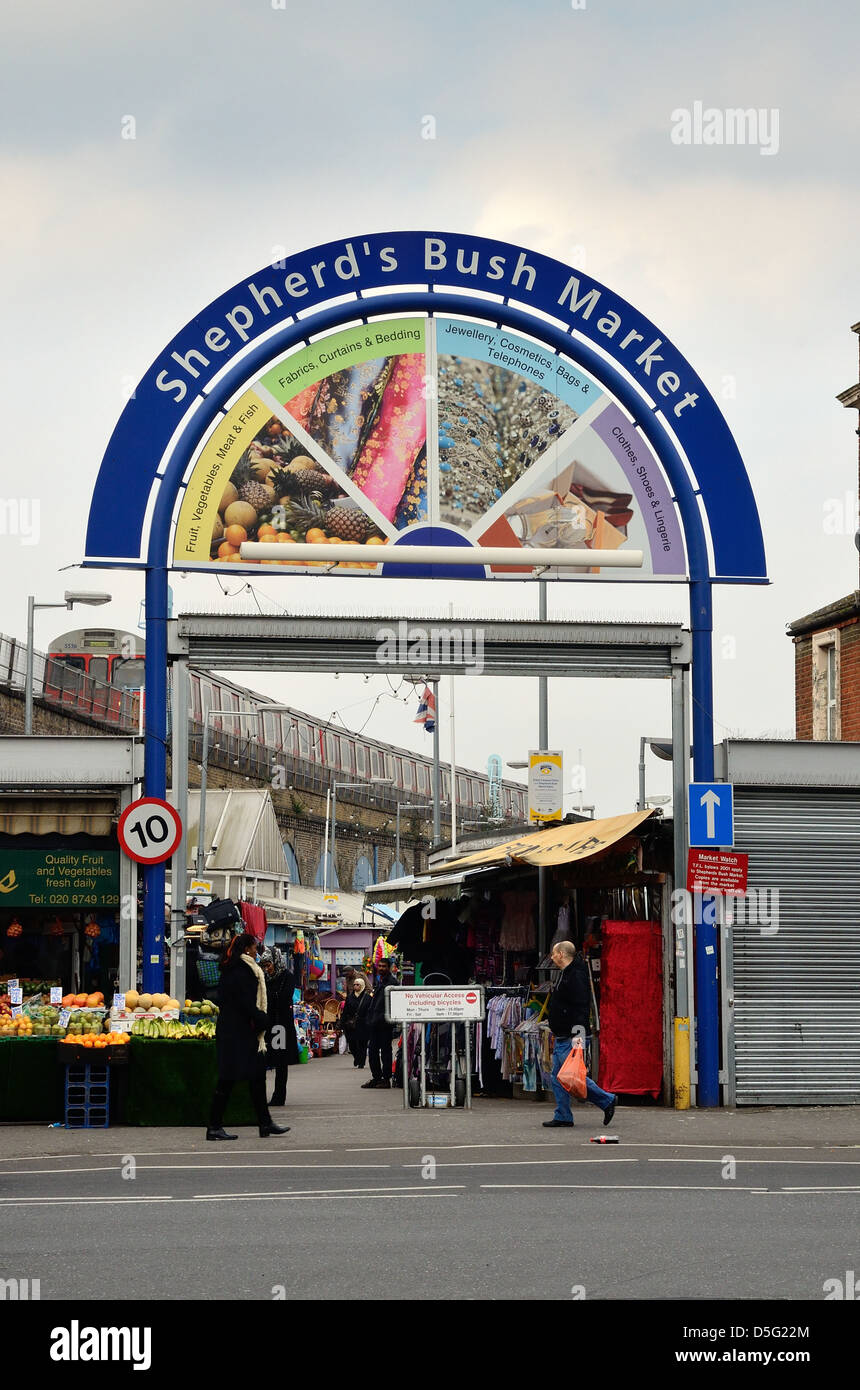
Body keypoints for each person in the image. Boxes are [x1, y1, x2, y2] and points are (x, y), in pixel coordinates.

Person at [206, 932, 290, 1141]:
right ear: (246, 949)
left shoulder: (238, 968)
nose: (256, 951)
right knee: (227, 1079)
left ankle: (265, 1123)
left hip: (241, 1031)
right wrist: (261, 1018)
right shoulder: (240, 971)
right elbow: (244, 1003)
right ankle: (214, 1127)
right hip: (235, 1033)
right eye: (254, 947)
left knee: (257, 1077)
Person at [543, 939, 617, 1129]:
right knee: (559, 1076)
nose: (551, 957)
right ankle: (563, 1115)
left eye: (553, 953)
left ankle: (607, 1100)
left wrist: (578, 1034)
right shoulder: (567, 973)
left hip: (571, 1034)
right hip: (564, 1033)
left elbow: (581, 1006)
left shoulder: (575, 975)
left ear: (561, 954)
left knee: (572, 1075)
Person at [260, 946, 300, 1107]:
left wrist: (269, 997)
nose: (266, 968)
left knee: (280, 1062)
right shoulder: (264, 978)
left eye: (268, 965)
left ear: (276, 962)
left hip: (280, 1027)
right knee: (264, 1059)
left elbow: (283, 999)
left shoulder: (287, 977)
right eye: (264, 965)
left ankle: (279, 1095)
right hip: (267, 1025)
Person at [362, 958, 396, 1089]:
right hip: (374, 1023)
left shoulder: (392, 983)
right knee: (372, 1052)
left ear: (389, 967)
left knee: (386, 1052)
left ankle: (386, 1079)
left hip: (385, 1023)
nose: (381, 968)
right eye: (380, 966)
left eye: (384, 966)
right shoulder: (379, 981)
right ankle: (376, 1077)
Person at [340, 974, 371, 1069]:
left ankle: (361, 1062)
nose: (355, 986)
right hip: (351, 1024)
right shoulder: (349, 997)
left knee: (362, 1043)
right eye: (354, 984)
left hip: (363, 1024)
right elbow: (345, 1011)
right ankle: (356, 1057)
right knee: (352, 1043)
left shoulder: (367, 998)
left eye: (357, 984)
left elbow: (370, 1011)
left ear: (362, 986)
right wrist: (342, 1022)